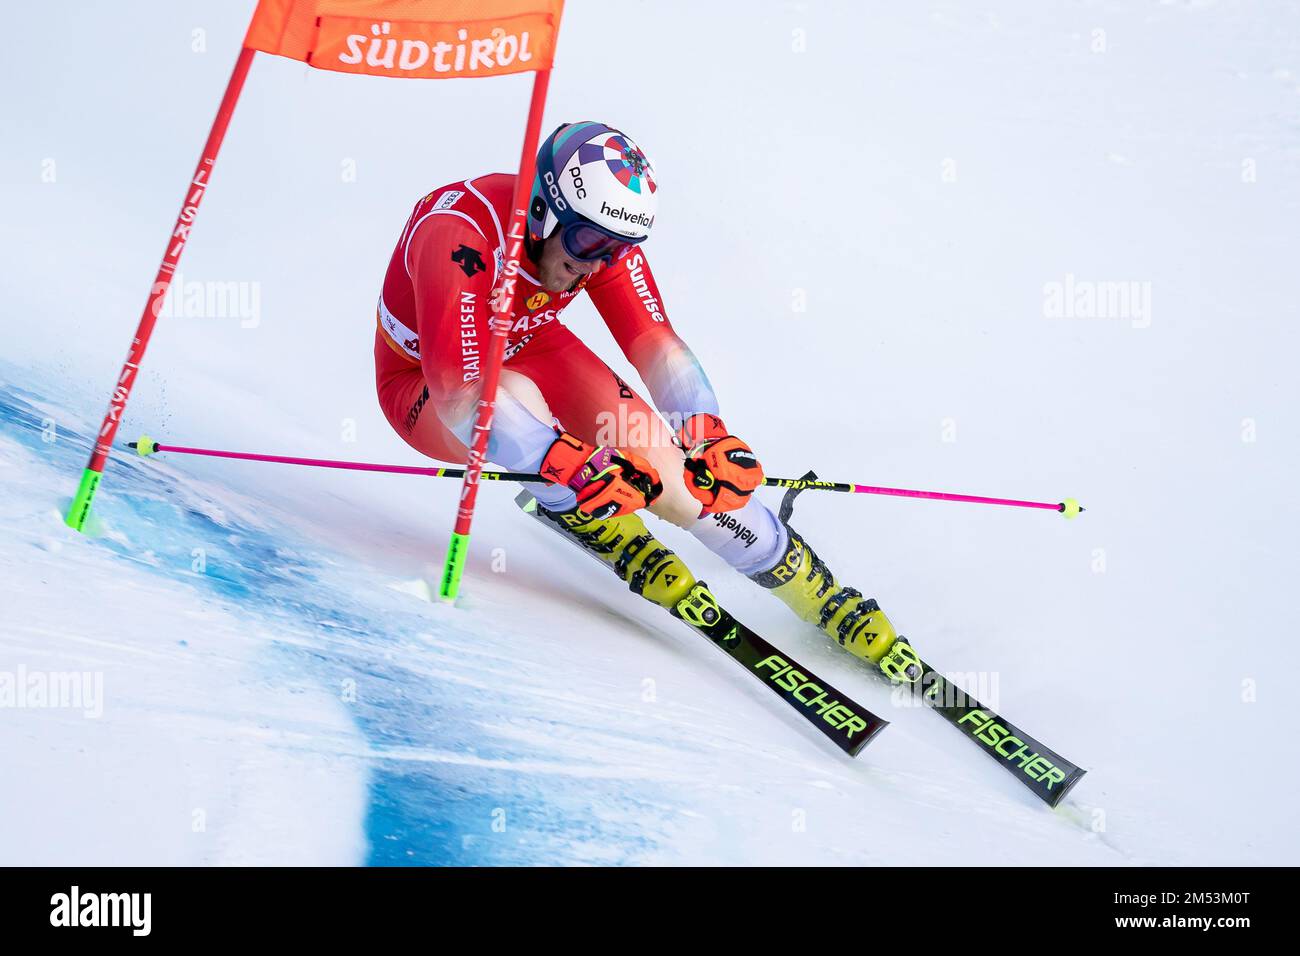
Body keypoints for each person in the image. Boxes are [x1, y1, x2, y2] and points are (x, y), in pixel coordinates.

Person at [374, 121, 916, 680]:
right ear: (543, 210)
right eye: (587, 243)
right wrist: (569, 461)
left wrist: (706, 431)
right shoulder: (459, 233)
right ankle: (596, 517)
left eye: (616, 250)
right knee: (515, 397)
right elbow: (460, 399)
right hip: (426, 386)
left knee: (677, 479)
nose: (594, 263)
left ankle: (808, 585)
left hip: (530, 342)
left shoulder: (598, 242)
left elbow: (654, 341)